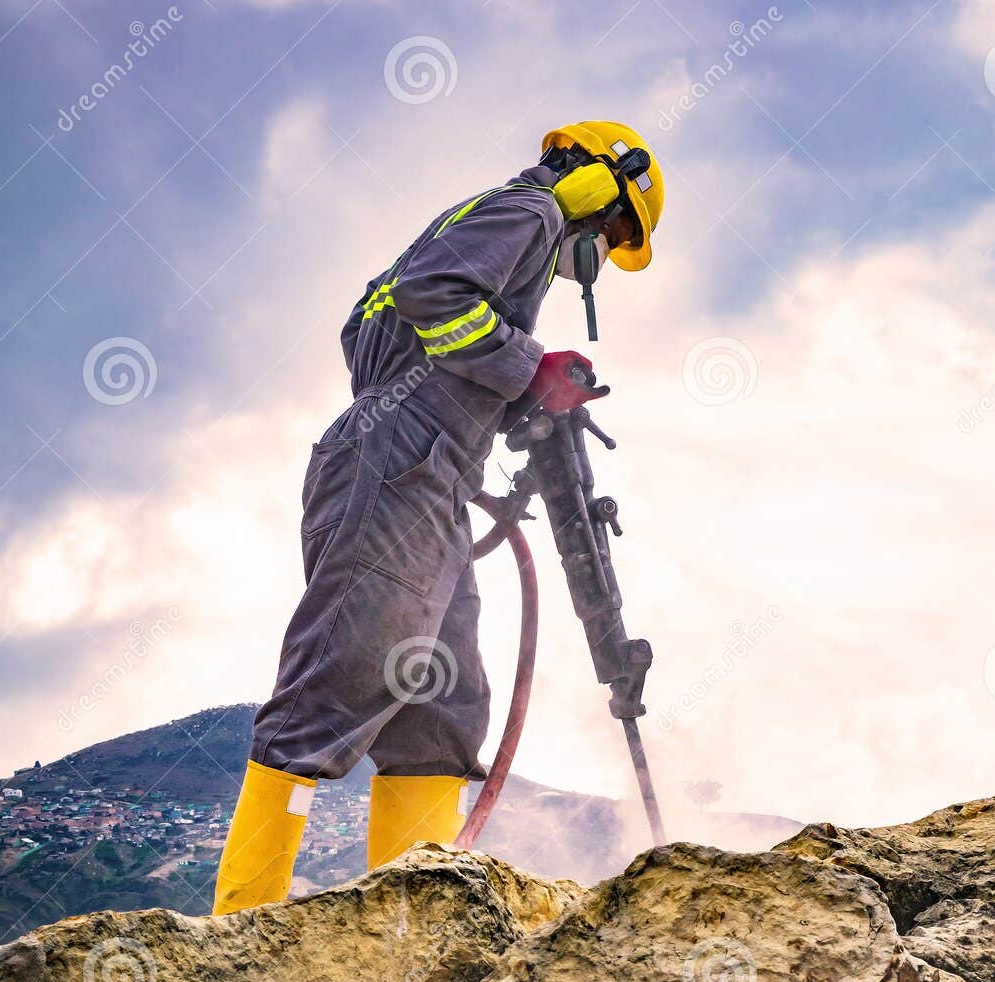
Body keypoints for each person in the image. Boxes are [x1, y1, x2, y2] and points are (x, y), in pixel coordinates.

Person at [212, 121, 665, 916]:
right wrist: (530, 365)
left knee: (442, 708)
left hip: (428, 480)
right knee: (336, 685)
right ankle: (238, 930)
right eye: (612, 232)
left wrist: (508, 391)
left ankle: (408, 931)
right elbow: (433, 297)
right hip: (400, 471)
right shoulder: (530, 213)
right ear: (597, 184)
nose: (592, 257)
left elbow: (369, 327)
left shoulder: (482, 225)